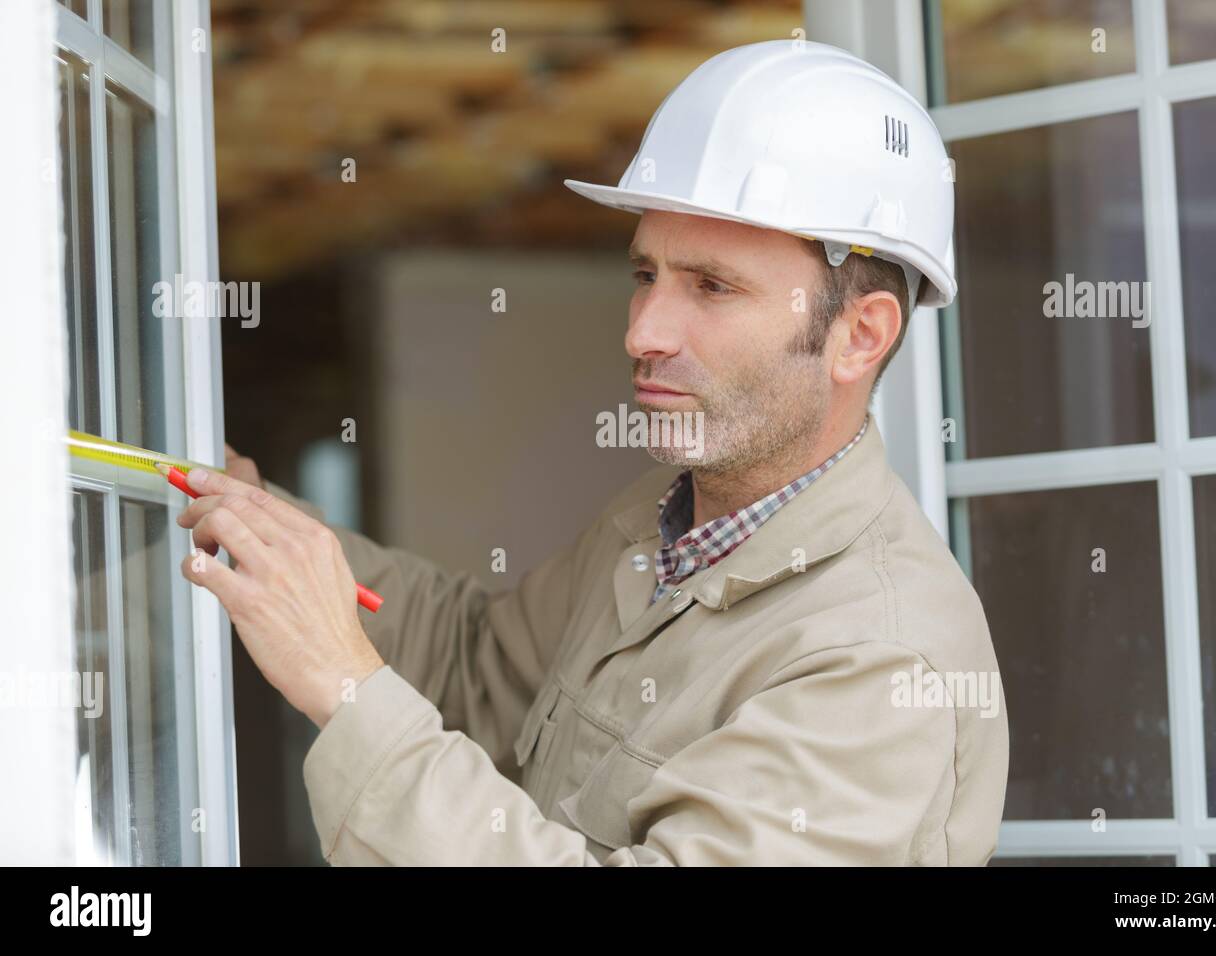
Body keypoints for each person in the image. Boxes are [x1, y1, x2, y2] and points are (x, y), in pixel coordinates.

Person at [177, 39, 1008, 865]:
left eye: (712, 287)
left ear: (858, 337)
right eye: (646, 274)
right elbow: (474, 665)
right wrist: (268, 524)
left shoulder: (879, 662)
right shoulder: (658, 523)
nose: (642, 331)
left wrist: (345, 685)